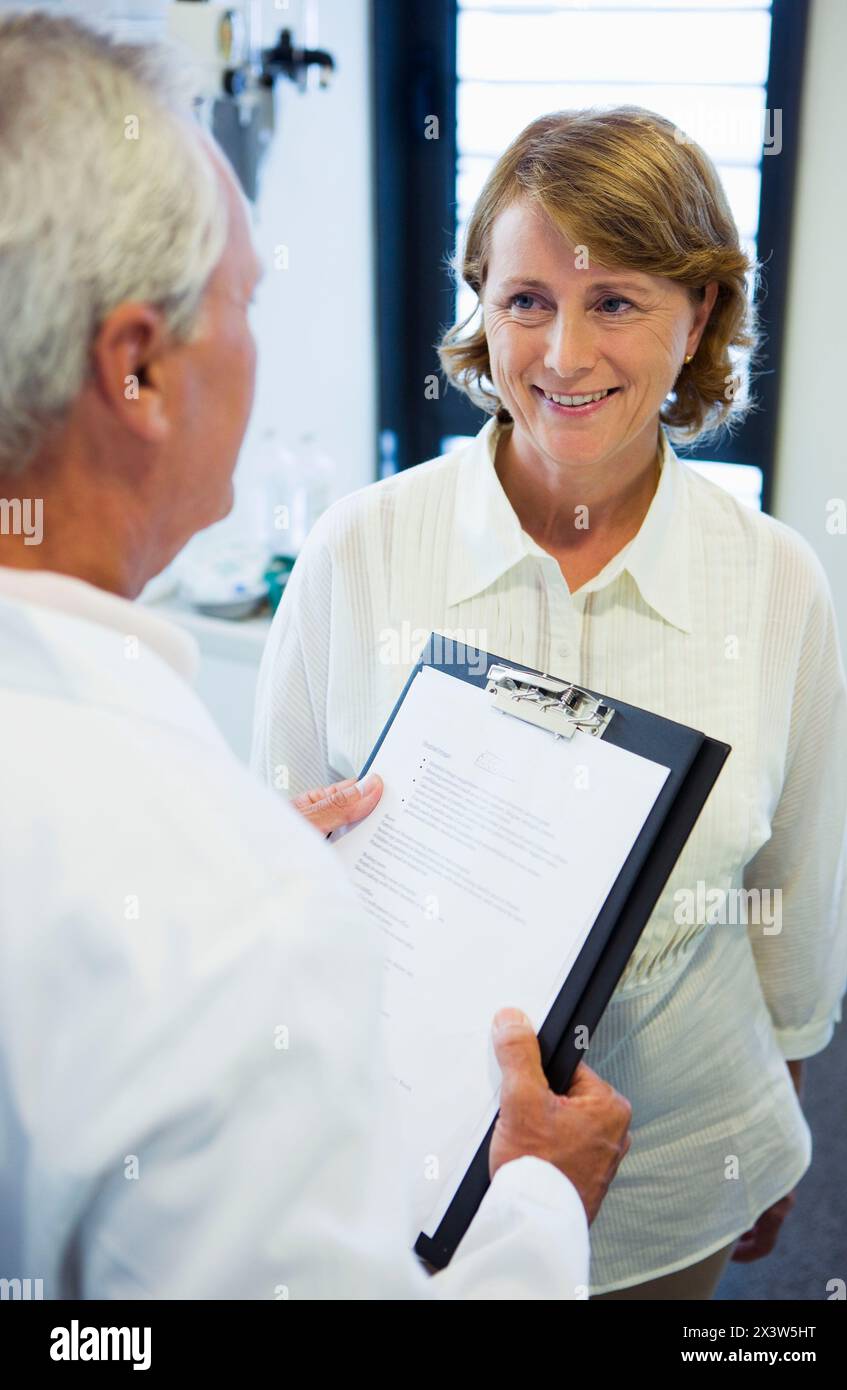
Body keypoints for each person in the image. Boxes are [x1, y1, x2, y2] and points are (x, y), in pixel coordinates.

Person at [0, 16, 632, 1300]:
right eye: (244, 302)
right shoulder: (232, 913)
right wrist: (537, 1199)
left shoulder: (195, 877)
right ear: (139, 370)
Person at [253, 107, 847, 1298]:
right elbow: (267, 849)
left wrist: (771, 1113)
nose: (563, 355)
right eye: (526, 299)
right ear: (482, 307)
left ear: (697, 317)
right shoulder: (357, 551)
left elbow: (795, 885)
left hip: (674, 1161)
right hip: (406, 1155)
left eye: (614, 301)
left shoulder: (776, 582)